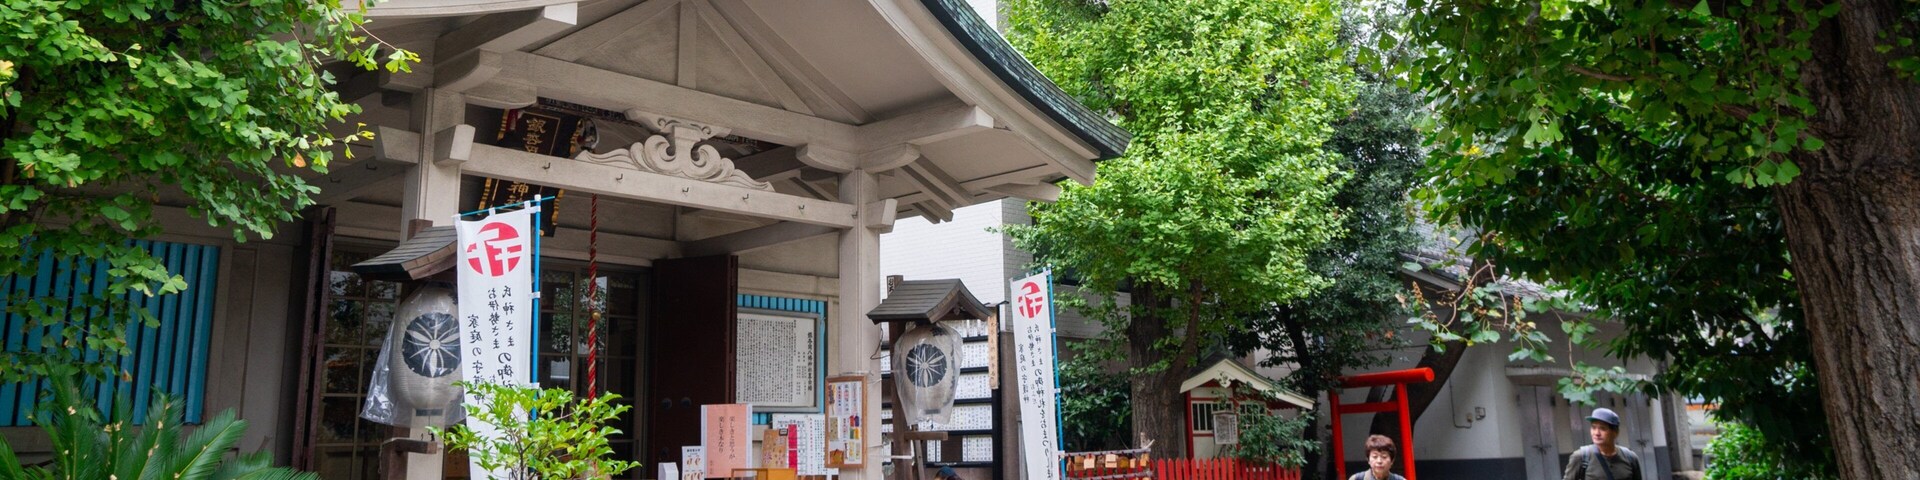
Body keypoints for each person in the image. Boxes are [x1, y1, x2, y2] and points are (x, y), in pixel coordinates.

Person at [1564, 407, 1643, 480]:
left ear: (1615, 432)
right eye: (1593, 427)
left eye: (1603, 428)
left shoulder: (1630, 457)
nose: (1596, 433)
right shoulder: (1581, 457)